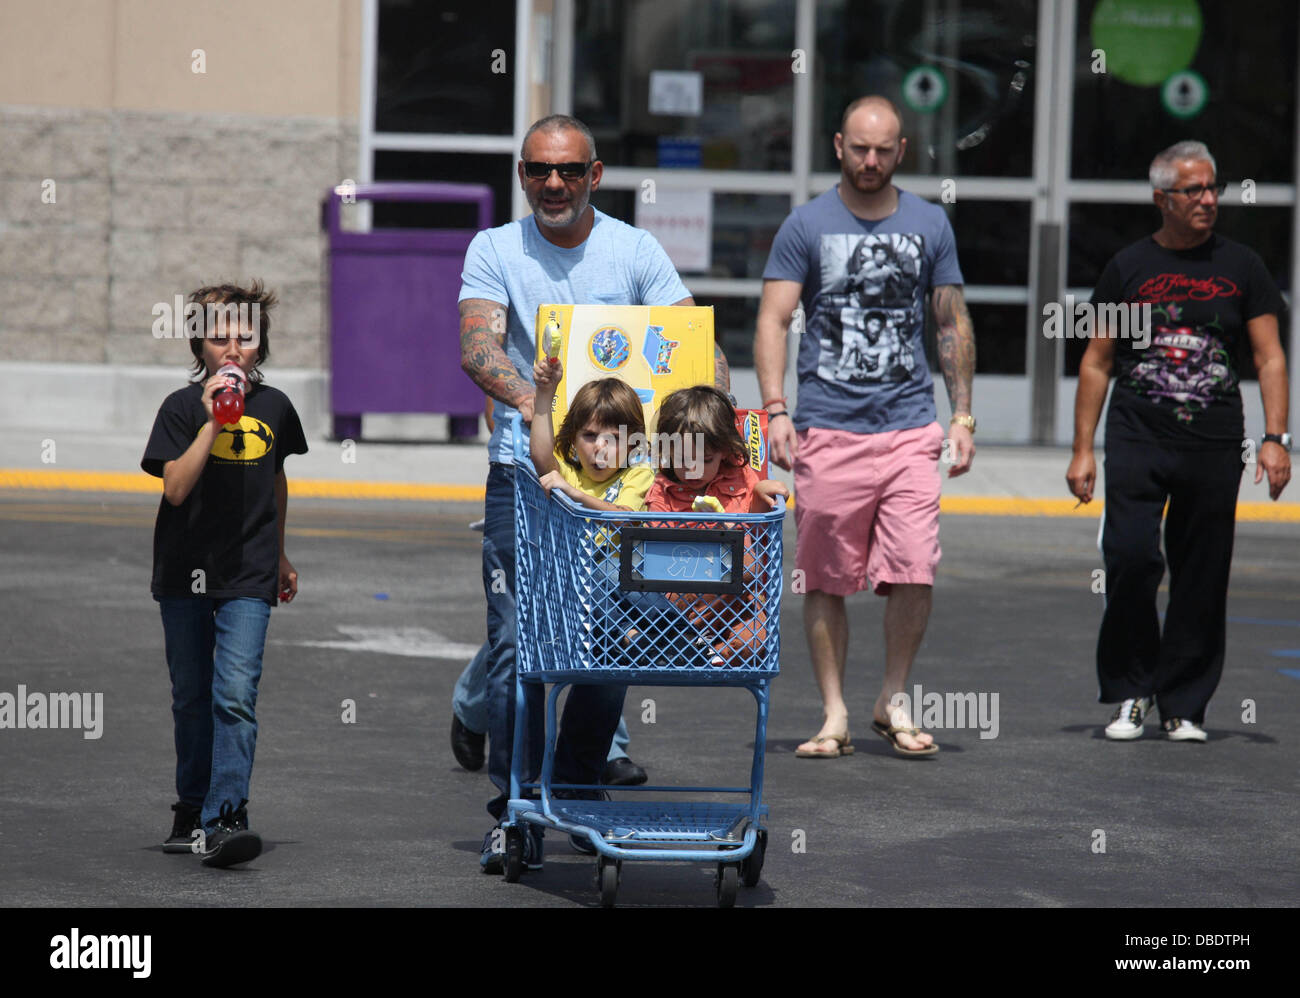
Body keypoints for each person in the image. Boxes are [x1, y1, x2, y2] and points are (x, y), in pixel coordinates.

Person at [457, 113, 729, 870]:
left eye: (569, 171)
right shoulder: (495, 249)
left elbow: (690, 349)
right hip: (530, 474)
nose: (553, 184)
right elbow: (479, 345)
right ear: (522, 174)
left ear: (595, 175)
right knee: (521, 642)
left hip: (622, 491)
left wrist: (720, 425)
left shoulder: (633, 250)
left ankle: (573, 787)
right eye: (539, 170)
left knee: (611, 641)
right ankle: (514, 810)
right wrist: (542, 405)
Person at [754, 95, 976, 759]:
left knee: (915, 567)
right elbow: (773, 319)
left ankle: (893, 697)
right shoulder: (807, 225)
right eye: (860, 148)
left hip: (910, 427)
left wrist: (961, 414)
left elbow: (950, 322)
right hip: (828, 426)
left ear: (901, 151)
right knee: (824, 577)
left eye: (884, 149)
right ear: (838, 146)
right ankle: (834, 713)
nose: (871, 160)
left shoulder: (930, 224)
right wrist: (775, 410)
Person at [1066, 140, 1291, 743]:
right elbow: (1096, 360)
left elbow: (1270, 358)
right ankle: (1131, 691)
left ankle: (1185, 703)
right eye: (1193, 190)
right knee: (1132, 557)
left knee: (1202, 570)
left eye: (1213, 188)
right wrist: (1082, 447)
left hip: (1214, 438)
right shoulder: (1127, 267)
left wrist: (1276, 438)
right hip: (1137, 433)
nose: (1208, 200)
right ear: (1161, 198)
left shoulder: (1242, 267)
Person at [141, 281, 307, 867]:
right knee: (191, 697)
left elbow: (277, 479)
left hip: (249, 574)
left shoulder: (278, 407)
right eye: (220, 337)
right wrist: (213, 420)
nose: (233, 348)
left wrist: (280, 554)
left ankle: (226, 815)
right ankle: (191, 807)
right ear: (200, 346)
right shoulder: (181, 409)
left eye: (245, 335)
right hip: (184, 570)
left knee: (234, 695)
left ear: (260, 345)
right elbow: (177, 488)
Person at [643, 385, 789, 664]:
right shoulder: (663, 490)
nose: (693, 470)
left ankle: (707, 654)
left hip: (735, 610)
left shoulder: (741, 478)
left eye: (705, 459)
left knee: (758, 638)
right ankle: (684, 648)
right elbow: (656, 565)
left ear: (724, 450)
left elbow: (752, 567)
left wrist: (759, 497)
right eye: (682, 459)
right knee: (636, 625)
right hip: (678, 614)